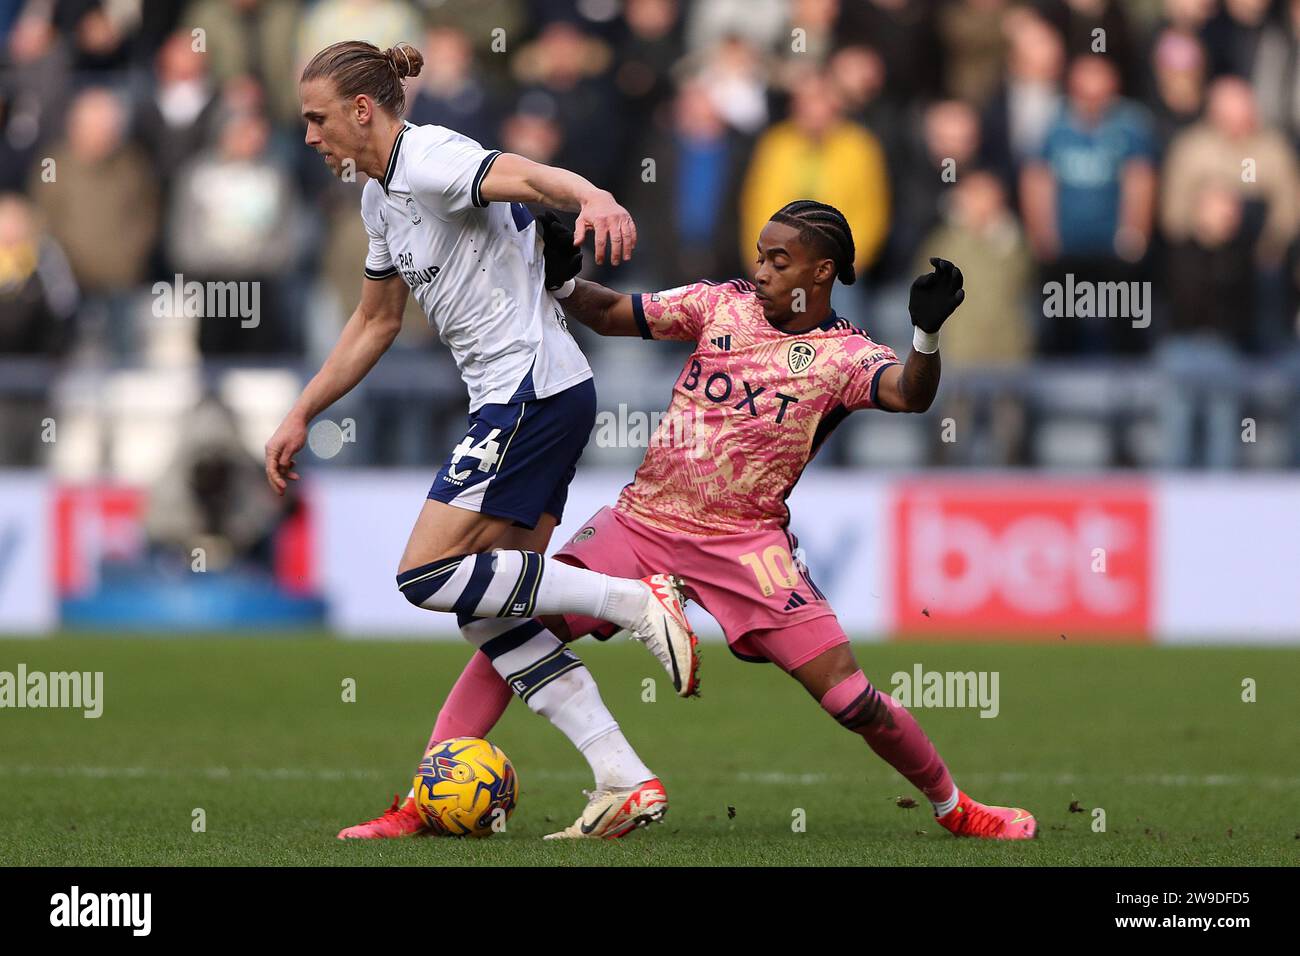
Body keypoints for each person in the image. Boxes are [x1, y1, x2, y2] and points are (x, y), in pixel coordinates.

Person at [388, 201, 1039, 841]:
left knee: (850, 698)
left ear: (822, 272)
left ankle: (957, 807)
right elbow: (616, 314)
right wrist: (562, 278)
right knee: (506, 629)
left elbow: (911, 393)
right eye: (759, 254)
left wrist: (925, 337)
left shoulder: (846, 355)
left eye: (779, 261)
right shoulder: (723, 303)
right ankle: (423, 801)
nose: (761, 270)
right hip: (641, 524)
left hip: (745, 545)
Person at [263, 40, 702, 840]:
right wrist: (303, 411)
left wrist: (595, 195)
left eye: (317, 118)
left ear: (363, 110)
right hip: (530, 395)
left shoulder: (431, 157)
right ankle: (622, 775)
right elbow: (376, 320)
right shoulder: (378, 199)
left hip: (529, 390)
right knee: (494, 615)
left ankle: (638, 603)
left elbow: (532, 177)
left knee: (426, 573)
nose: (310, 136)